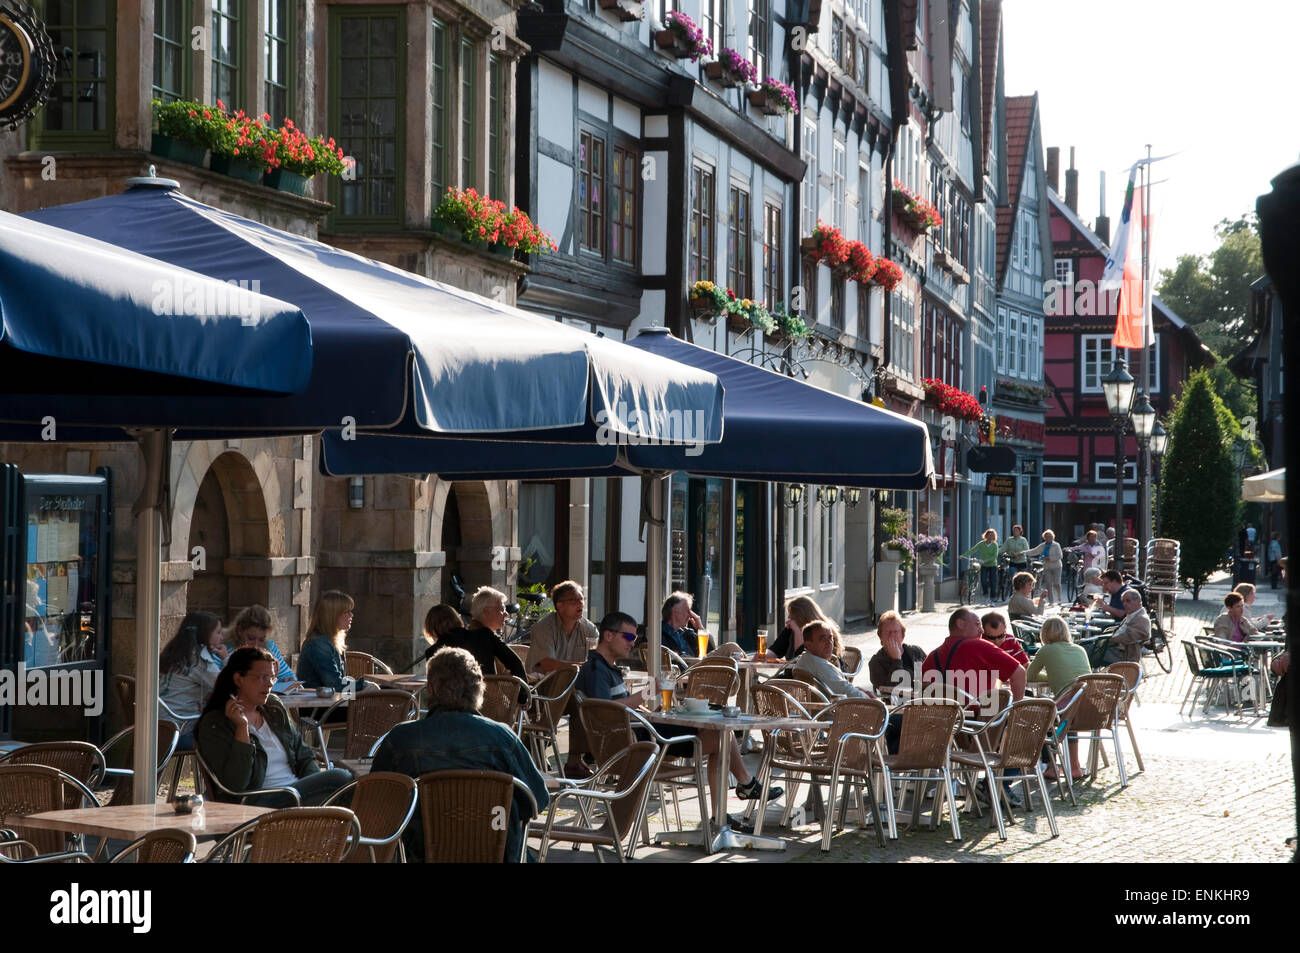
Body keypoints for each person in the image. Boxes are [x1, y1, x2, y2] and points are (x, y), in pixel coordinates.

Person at [576, 611, 781, 815]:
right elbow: (604, 711)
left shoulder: (606, 667)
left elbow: (618, 708)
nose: (632, 643)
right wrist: (647, 693)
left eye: (635, 638)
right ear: (608, 635)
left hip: (640, 734)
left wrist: (650, 713)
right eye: (628, 637)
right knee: (721, 736)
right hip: (635, 746)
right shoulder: (595, 669)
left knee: (717, 731)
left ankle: (727, 809)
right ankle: (740, 792)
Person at [371, 647, 549, 862]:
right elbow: (537, 800)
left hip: (421, 853)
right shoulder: (502, 738)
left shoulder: (401, 739)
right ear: (479, 690)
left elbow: (377, 804)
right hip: (496, 853)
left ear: (431, 689)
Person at [196, 647, 352, 806]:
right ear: (238, 679)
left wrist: (316, 785)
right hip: (255, 802)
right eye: (263, 678)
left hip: (296, 793)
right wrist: (242, 729)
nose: (269, 684)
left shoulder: (273, 707)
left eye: (272, 678)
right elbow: (236, 784)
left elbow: (304, 756)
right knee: (342, 778)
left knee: (351, 785)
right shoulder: (215, 723)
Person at [1025, 616, 1091, 780]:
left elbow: (1029, 676)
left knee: (1042, 717)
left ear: (1044, 634)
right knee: (1068, 720)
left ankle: (1052, 767)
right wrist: (1053, 676)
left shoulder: (1046, 650)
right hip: (1089, 705)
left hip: (1067, 704)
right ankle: (1075, 767)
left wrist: (1050, 677)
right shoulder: (1079, 649)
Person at [922, 608, 1026, 705]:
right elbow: (1020, 673)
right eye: (977, 625)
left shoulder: (933, 656)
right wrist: (1014, 712)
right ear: (960, 624)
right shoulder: (978, 646)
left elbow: (922, 693)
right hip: (981, 721)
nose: (982, 630)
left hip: (943, 722)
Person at [426, 588, 528, 682]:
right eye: (502, 609)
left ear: (431, 629)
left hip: (450, 700)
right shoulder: (484, 636)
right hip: (487, 699)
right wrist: (522, 697)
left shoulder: (432, 652)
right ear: (457, 619)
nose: (506, 614)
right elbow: (515, 664)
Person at [159, 610, 226, 743]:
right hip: (179, 730)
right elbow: (227, 687)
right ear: (205, 634)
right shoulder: (200, 659)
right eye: (218, 632)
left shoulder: (175, 653)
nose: (222, 637)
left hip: (158, 726)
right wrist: (225, 658)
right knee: (226, 735)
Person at [296, 590, 366, 692]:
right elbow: (335, 685)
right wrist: (364, 685)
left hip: (335, 702)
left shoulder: (332, 640)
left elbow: (341, 684)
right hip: (321, 705)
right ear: (333, 616)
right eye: (346, 612)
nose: (351, 615)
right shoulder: (318, 644)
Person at [525, 580, 600, 674]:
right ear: (559, 605)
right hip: (544, 684)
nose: (580, 603)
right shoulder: (544, 627)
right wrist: (580, 667)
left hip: (578, 684)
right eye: (573, 600)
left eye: (581, 599)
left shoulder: (589, 629)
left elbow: (599, 660)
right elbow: (546, 664)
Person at [794, 620, 872, 699]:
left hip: (818, 708)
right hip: (833, 709)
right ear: (809, 645)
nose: (829, 643)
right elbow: (847, 693)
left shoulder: (805, 660)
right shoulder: (821, 667)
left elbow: (841, 687)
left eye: (830, 637)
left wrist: (859, 690)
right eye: (822, 638)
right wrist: (870, 698)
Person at [228, 604, 296, 691]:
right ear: (239, 631)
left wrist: (288, 681)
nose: (256, 645)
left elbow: (289, 677)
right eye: (251, 638)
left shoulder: (268, 646)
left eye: (261, 640)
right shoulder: (224, 648)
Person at [868, 610, 926, 698]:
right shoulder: (876, 662)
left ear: (902, 635)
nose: (892, 636)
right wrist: (896, 660)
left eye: (895, 632)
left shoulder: (915, 651)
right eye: (888, 632)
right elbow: (890, 690)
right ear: (881, 636)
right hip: (898, 706)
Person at [766, 595, 833, 663]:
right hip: (793, 672)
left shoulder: (824, 631)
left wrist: (797, 632)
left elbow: (802, 661)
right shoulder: (791, 628)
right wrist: (762, 655)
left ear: (802, 616)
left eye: (792, 614)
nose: (789, 617)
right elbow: (775, 650)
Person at [1103, 589, 1150, 664]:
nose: (1124, 604)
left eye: (1128, 601)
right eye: (1123, 601)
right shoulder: (1132, 614)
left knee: (1087, 651)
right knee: (1088, 646)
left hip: (1124, 654)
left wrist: (1107, 640)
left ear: (1138, 601)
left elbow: (1128, 637)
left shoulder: (1141, 619)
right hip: (1115, 648)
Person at [660, 591, 708, 657]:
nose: (690, 615)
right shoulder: (659, 634)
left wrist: (700, 627)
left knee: (727, 648)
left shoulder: (687, 634)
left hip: (698, 665)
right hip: (687, 666)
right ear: (674, 610)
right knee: (727, 648)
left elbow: (709, 654)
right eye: (687, 610)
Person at [961, 529, 1001, 602]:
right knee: (983, 580)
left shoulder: (995, 545)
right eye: (989, 535)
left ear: (994, 537)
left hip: (992, 565)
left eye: (992, 535)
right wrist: (963, 555)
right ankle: (985, 594)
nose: (990, 537)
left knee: (993, 581)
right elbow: (973, 550)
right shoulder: (981, 544)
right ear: (986, 535)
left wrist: (986, 560)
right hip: (984, 565)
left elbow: (994, 556)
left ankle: (993, 596)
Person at [1025, 530, 1063, 604]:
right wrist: (1023, 553)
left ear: (1052, 537)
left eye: (1049, 536)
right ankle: (1051, 601)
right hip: (1047, 566)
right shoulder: (1043, 545)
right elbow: (1034, 551)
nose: (1048, 538)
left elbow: (1060, 556)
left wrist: (1050, 558)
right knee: (1048, 583)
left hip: (1056, 566)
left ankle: (1059, 598)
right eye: (1046, 537)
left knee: (1056, 583)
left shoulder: (1056, 545)